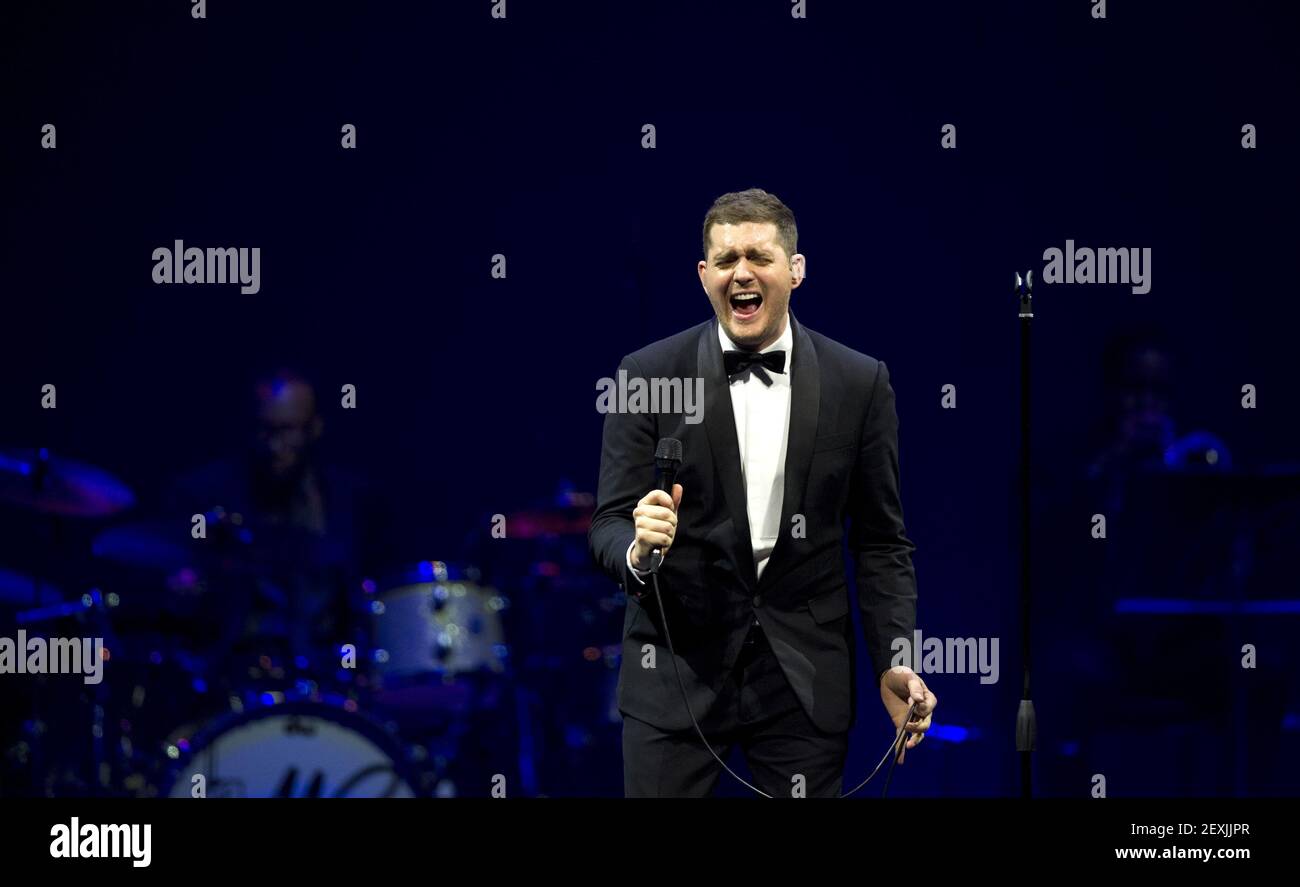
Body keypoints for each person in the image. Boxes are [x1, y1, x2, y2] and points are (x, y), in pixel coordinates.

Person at [588, 188, 935, 797]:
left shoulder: (859, 382)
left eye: (759, 257)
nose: (741, 273)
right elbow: (609, 523)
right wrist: (638, 554)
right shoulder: (647, 374)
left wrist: (895, 657)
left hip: (802, 681)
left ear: (795, 270)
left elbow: (881, 542)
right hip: (675, 674)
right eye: (725, 260)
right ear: (703, 276)